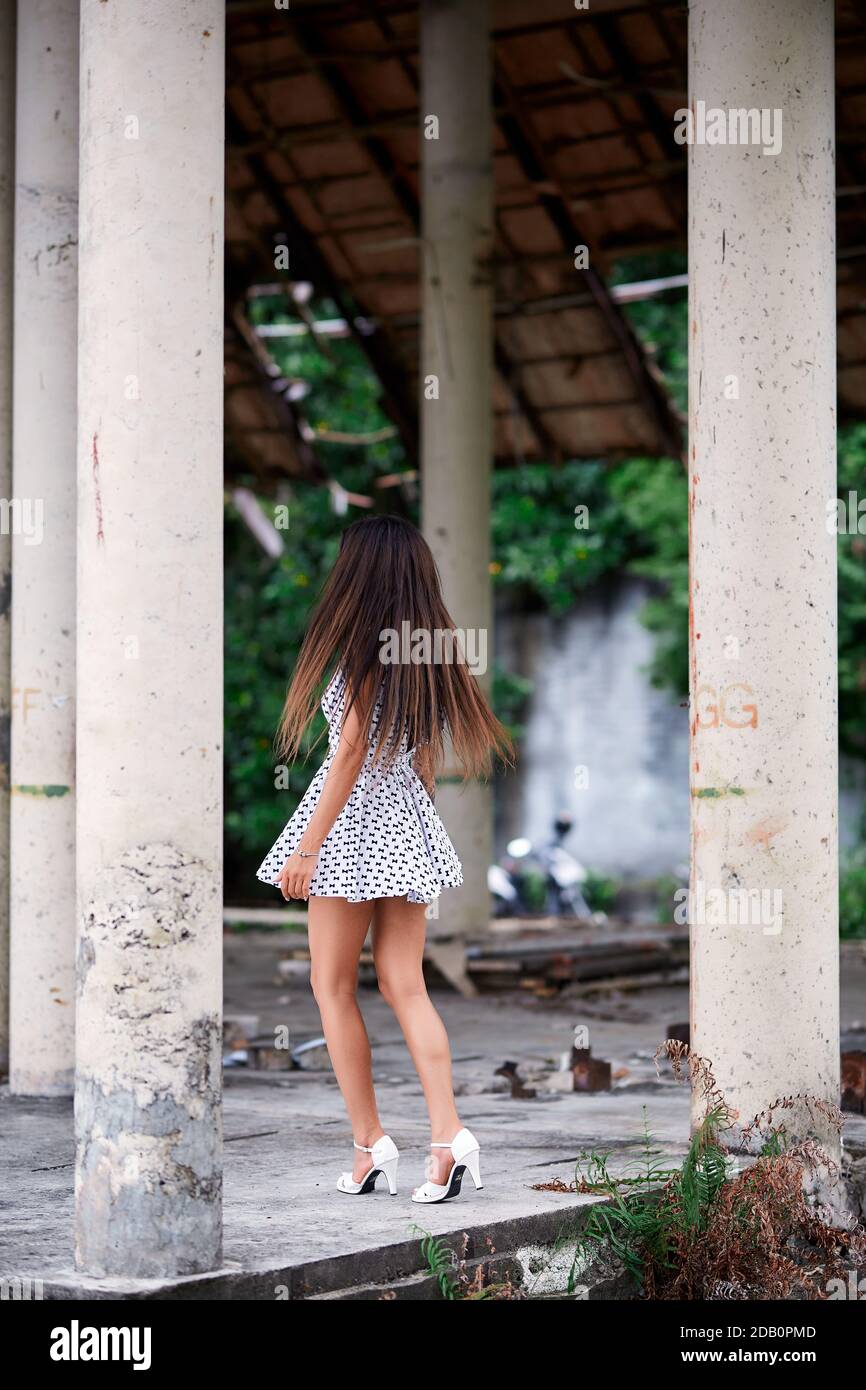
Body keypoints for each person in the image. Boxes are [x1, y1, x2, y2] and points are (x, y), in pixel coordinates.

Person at [256, 516, 512, 1203]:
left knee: (332, 987)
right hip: (404, 825)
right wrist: (411, 833)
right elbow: (424, 760)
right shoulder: (426, 654)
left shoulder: (359, 653)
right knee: (407, 985)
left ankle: (370, 1146)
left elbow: (348, 751)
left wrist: (309, 846)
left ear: (358, 575)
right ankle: (448, 1136)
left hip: (349, 827)